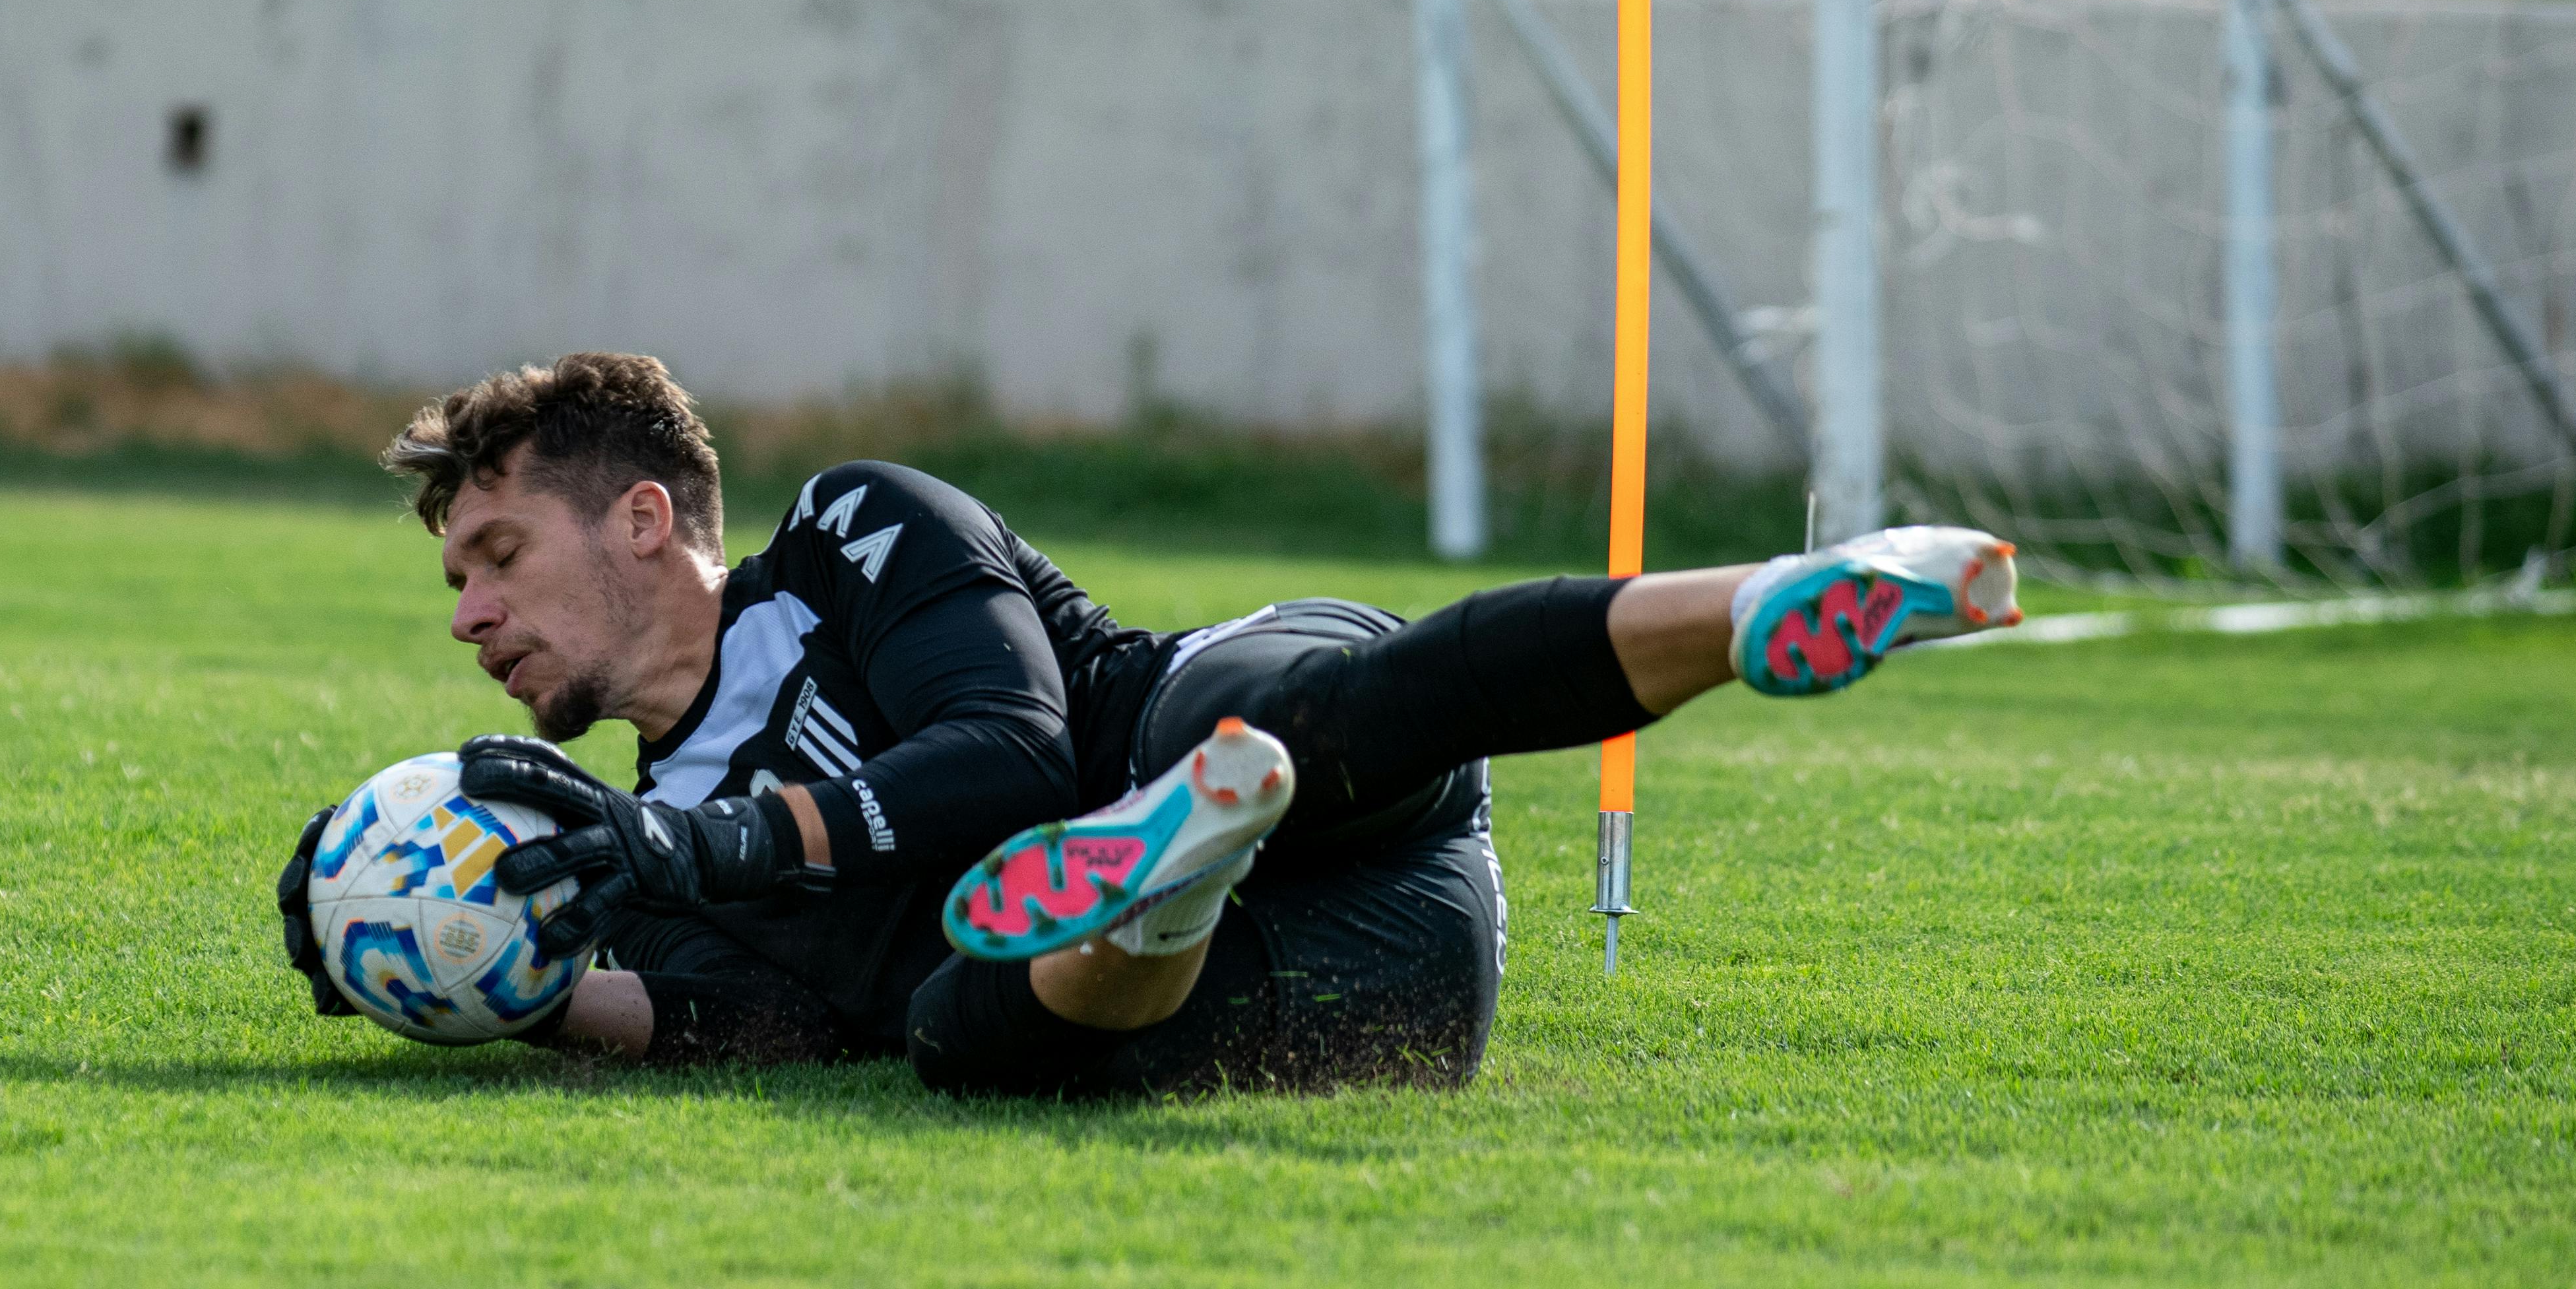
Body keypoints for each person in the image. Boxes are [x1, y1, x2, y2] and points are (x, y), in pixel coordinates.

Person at [275, 352, 2016, 1098]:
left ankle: (1777, 607)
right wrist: (443, 964)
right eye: (456, 585)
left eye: (496, 555)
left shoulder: (850, 533)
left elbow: (1013, 751)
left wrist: (700, 835)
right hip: (1342, 1003)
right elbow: (756, 1025)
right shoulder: (643, 860)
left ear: (645, 519)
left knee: (1247, 722)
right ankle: (1154, 898)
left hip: (1328, 798)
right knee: (955, 1033)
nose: (468, 617)